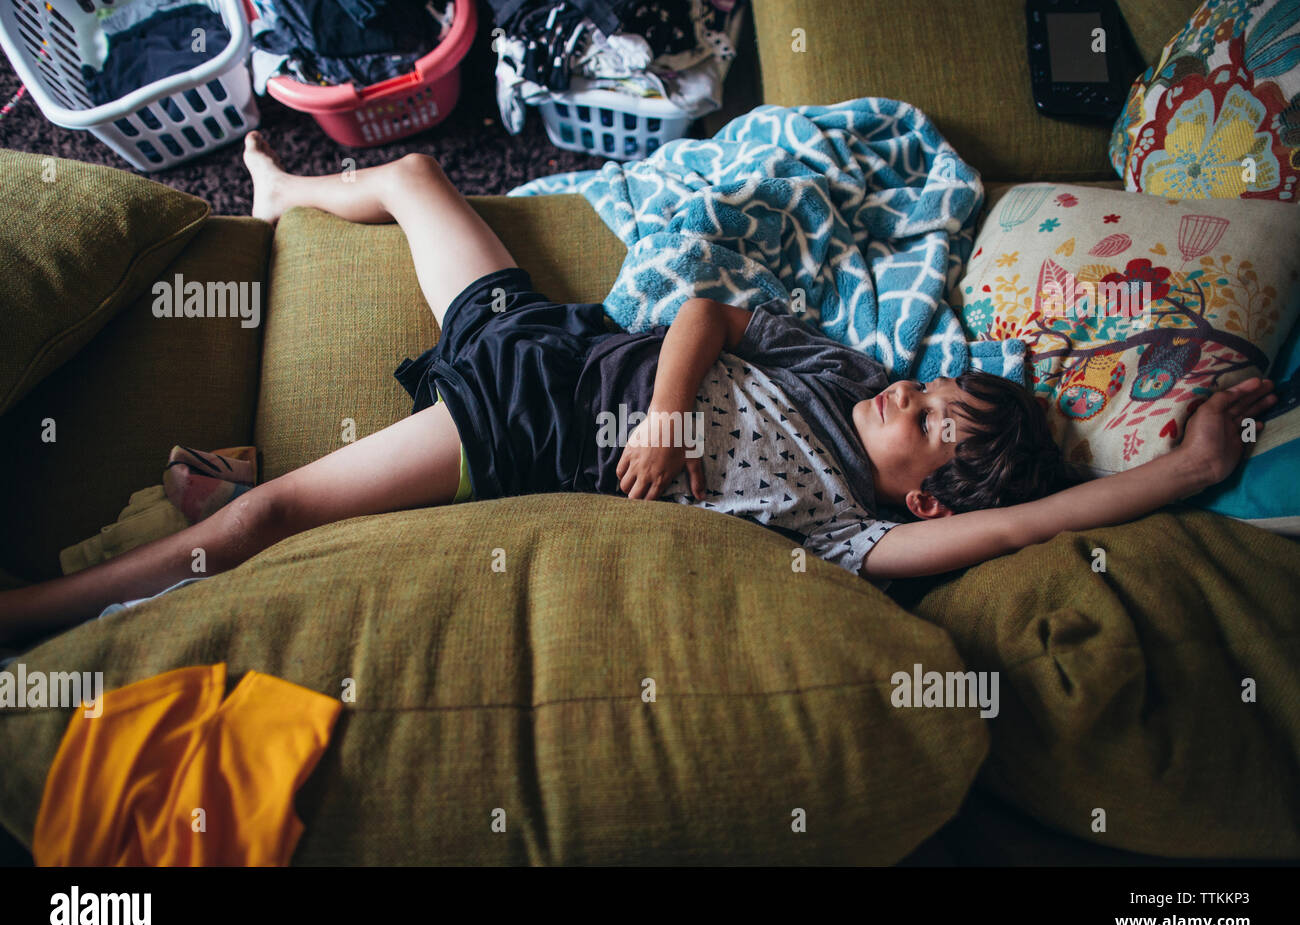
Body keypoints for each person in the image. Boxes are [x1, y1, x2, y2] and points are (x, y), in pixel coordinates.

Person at [0, 133, 1276, 645]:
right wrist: (668, 416)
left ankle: (37, 612)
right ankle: (281, 196)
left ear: (929, 503)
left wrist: (1186, 471)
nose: (914, 394)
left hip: (512, 427)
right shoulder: (844, 372)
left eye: (937, 420)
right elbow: (709, 310)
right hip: (560, 345)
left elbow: (1019, 526)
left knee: (262, 527)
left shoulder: (851, 530)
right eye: (935, 387)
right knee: (414, 174)